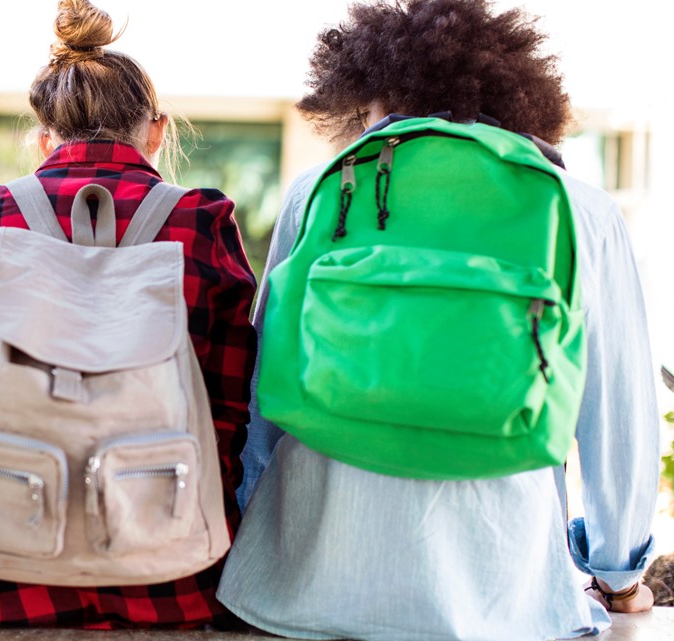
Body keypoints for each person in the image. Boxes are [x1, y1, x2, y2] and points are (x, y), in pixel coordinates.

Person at [216, 1, 659, 639]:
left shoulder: (320, 190)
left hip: (302, 584)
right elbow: (616, 412)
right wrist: (619, 575)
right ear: (519, 98)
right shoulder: (580, 208)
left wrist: (248, 528)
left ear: (378, 89)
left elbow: (266, 393)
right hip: (504, 597)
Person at [0, 0, 257, 628]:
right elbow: (228, 412)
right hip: (169, 565)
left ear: (45, 138)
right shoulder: (202, 220)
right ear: (157, 130)